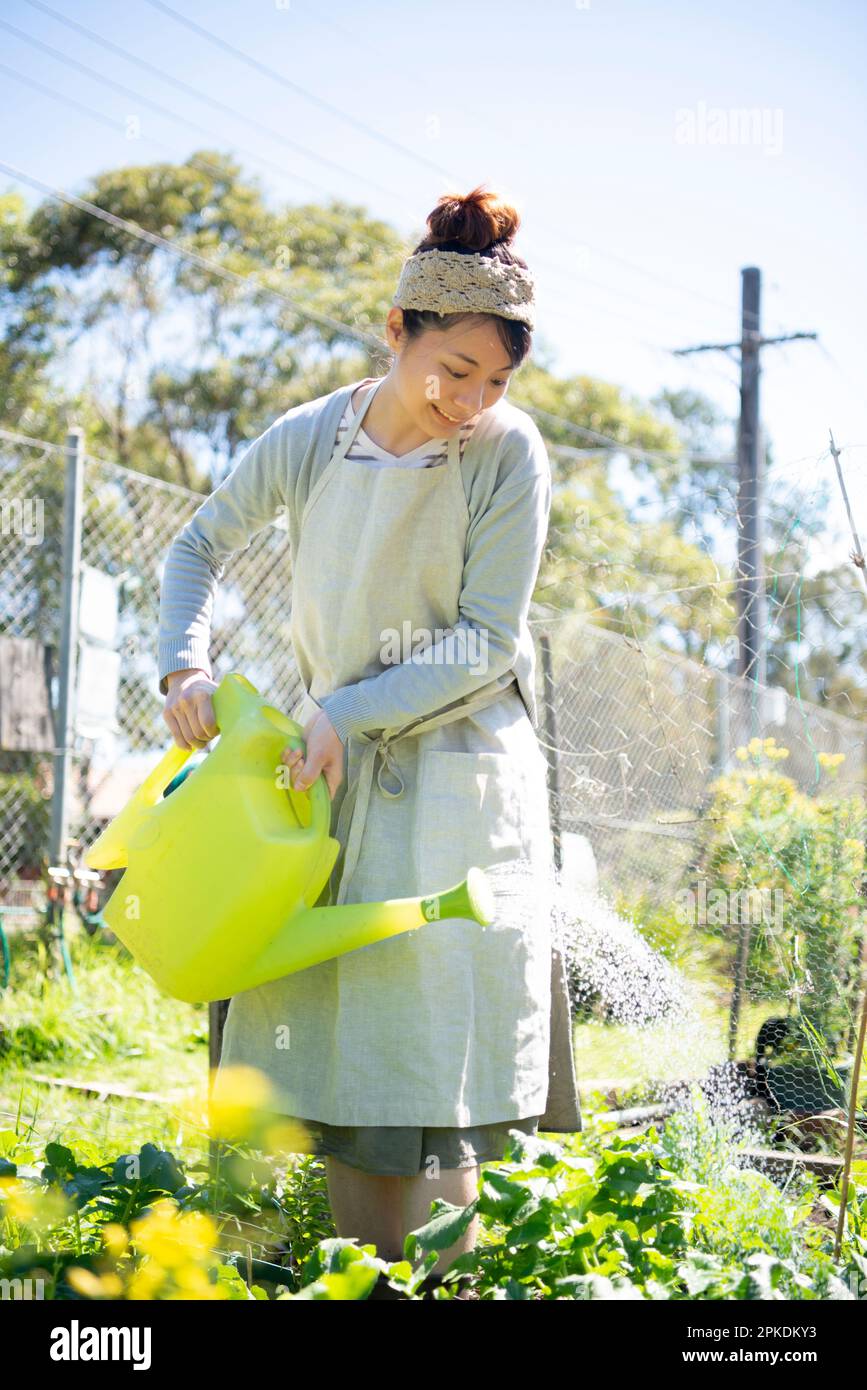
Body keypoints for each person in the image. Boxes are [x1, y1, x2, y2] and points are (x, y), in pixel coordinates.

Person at [158, 184, 582, 1298]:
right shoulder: (310, 438)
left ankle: (438, 1288)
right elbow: (197, 546)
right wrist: (182, 663)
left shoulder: (509, 455)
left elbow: (488, 640)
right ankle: (356, 1285)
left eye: (496, 382)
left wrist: (346, 708)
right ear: (396, 331)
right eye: (453, 372)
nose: (471, 402)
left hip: (457, 775)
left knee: (428, 1057)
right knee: (339, 1050)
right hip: (325, 774)